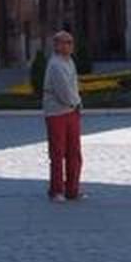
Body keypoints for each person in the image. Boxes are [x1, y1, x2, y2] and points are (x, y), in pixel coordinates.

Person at [42, 30, 84, 202]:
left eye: (71, 42)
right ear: (58, 45)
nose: (70, 46)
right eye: (66, 42)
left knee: (74, 152)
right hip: (57, 112)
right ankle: (57, 190)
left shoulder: (69, 61)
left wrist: (78, 104)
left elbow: (74, 86)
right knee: (58, 152)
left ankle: (72, 189)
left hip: (71, 111)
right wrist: (75, 103)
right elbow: (63, 91)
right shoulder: (55, 65)